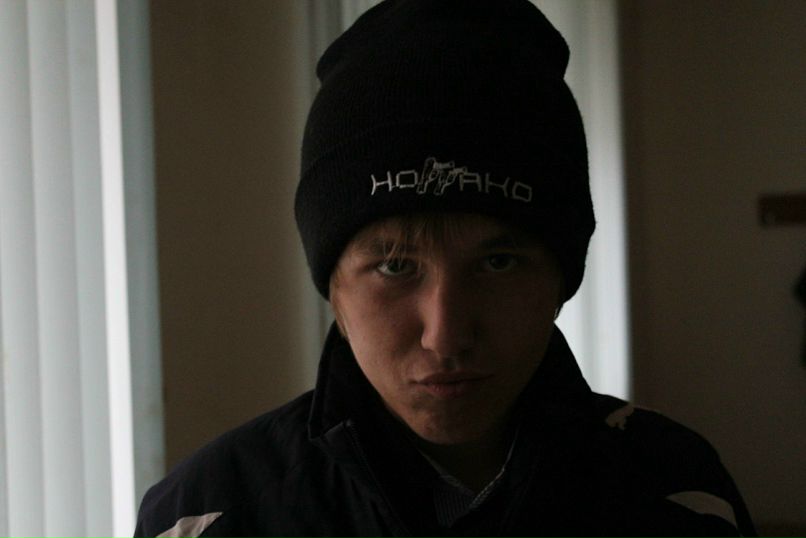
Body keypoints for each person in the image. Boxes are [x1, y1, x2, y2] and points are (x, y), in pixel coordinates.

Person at [134, 1, 757, 536]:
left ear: (561, 281)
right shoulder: (210, 514)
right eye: (395, 266)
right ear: (333, 288)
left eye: (498, 263)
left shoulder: (675, 491)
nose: (447, 334)